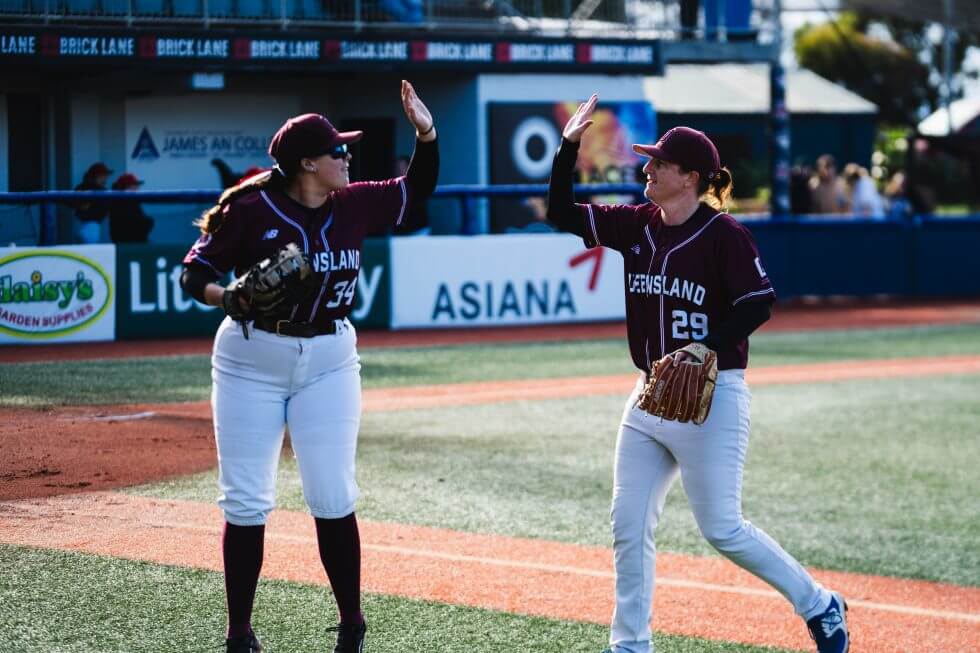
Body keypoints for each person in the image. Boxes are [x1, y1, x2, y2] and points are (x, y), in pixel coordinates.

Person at [546, 95, 849, 653]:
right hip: (649, 395)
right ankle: (630, 645)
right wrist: (568, 148)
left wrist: (702, 345)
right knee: (628, 525)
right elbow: (562, 213)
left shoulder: (724, 235)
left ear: (689, 177)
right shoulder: (636, 224)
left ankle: (819, 604)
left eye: (658, 163)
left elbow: (758, 303)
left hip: (713, 397)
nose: (647, 168)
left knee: (723, 529)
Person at [178, 80, 438, 653]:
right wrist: (228, 296)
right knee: (246, 501)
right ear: (307, 164)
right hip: (251, 359)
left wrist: (426, 132)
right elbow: (192, 274)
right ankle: (239, 633)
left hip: (330, 359)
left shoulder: (355, 203)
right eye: (337, 151)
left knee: (332, 495)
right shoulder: (250, 209)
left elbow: (417, 189)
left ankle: (352, 625)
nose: (347, 157)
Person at [109, 173, 155, 243]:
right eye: (134, 185)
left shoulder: (132, 201)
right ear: (127, 187)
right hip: (127, 243)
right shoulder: (121, 203)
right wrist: (148, 222)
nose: (137, 188)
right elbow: (129, 227)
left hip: (136, 241)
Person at [73, 162, 112, 243]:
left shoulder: (83, 187)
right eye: (104, 176)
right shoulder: (86, 188)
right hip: (89, 226)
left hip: (89, 225)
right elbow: (82, 207)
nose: (105, 179)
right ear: (97, 176)